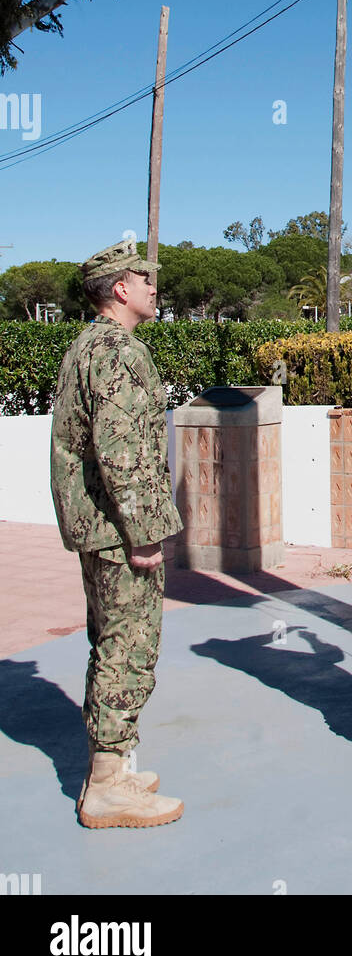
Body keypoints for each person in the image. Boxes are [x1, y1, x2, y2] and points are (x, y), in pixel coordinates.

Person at [50, 240, 184, 827]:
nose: (155, 288)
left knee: (108, 641)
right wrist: (144, 532)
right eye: (145, 279)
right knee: (130, 646)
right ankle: (106, 786)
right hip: (117, 527)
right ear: (121, 289)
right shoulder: (120, 352)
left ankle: (112, 765)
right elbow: (122, 452)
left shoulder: (87, 344)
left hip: (96, 524)